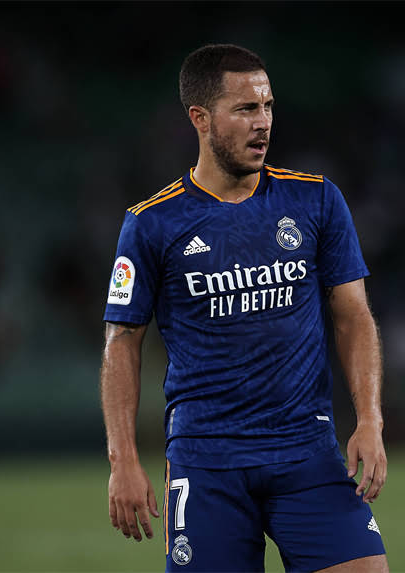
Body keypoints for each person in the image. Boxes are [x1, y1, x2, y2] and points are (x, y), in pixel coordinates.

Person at [99, 44, 388, 572]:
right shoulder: (151, 223)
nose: (263, 123)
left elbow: (353, 316)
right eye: (246, 109)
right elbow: (122, 342)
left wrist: (369, 419)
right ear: (200, 118)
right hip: (206, 462)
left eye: (268, 106)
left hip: (307, 451)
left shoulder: (316, 200)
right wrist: (123, 460)